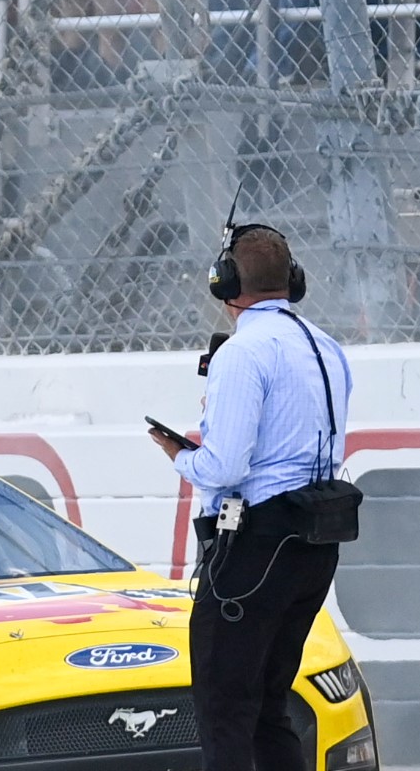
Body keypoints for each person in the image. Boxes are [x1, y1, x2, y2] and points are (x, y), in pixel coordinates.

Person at [147, 224, 351, 771]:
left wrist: (179, 455)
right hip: (313, 541)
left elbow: (224, 467)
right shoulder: (325, 346)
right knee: (266, 709)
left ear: (225, 283)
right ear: (294, 281)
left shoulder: (243, 353)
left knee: (225, 711)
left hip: (255, 545)